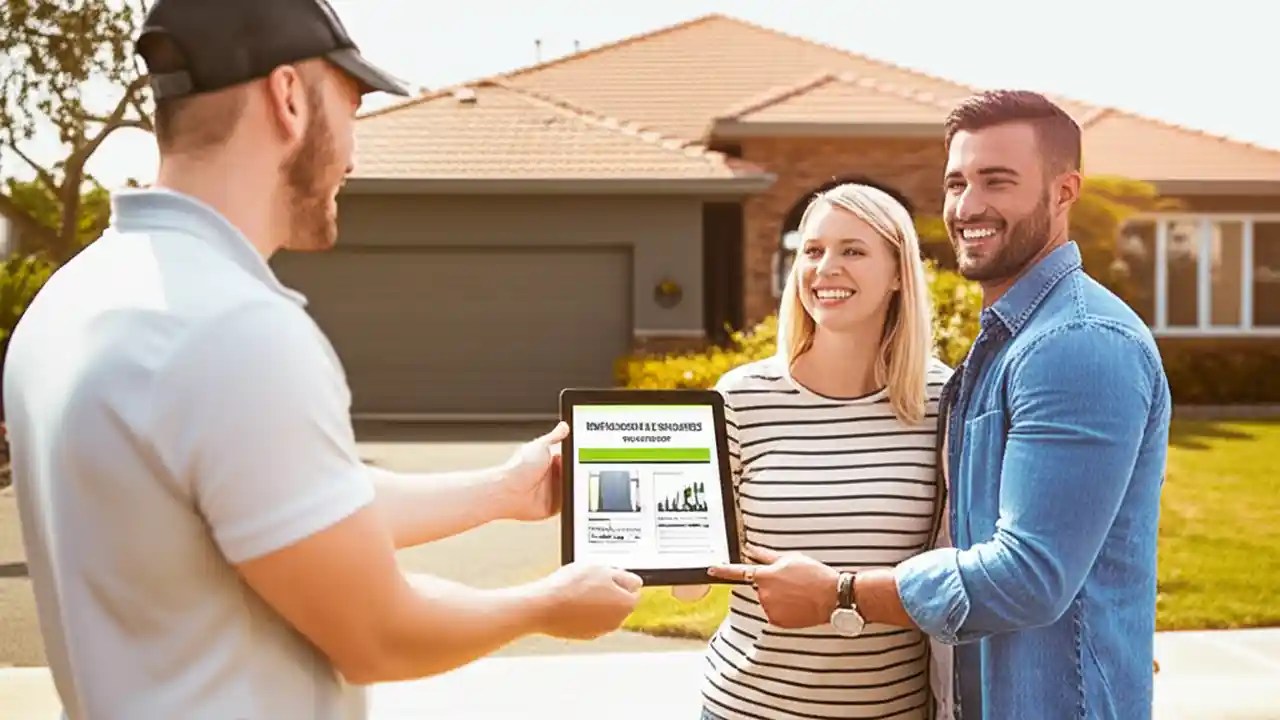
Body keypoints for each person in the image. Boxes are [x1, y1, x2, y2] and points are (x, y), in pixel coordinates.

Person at [2, 1, 641, 719]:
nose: (355, 155)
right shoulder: (234, 330)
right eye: (354, 105)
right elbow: (379, 634)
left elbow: (284, 504)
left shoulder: (74, 299)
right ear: (288, 98)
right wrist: (544, 605)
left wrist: (502, 491)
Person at [713, 90, 1172, 720]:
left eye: (998, 181)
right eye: (956, 182)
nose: (968, 205)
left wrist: (842, 594)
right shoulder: (1000, 350)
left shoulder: (1077, 344)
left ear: (1065, 192)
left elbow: (1030, 575)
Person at [681, 182, 955, 720]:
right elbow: (691, 586)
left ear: (900, 273)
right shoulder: (740, 397)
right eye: (812, 250)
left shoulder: (945, 403)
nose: (825, 267)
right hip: (746, 708)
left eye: (852, 250)